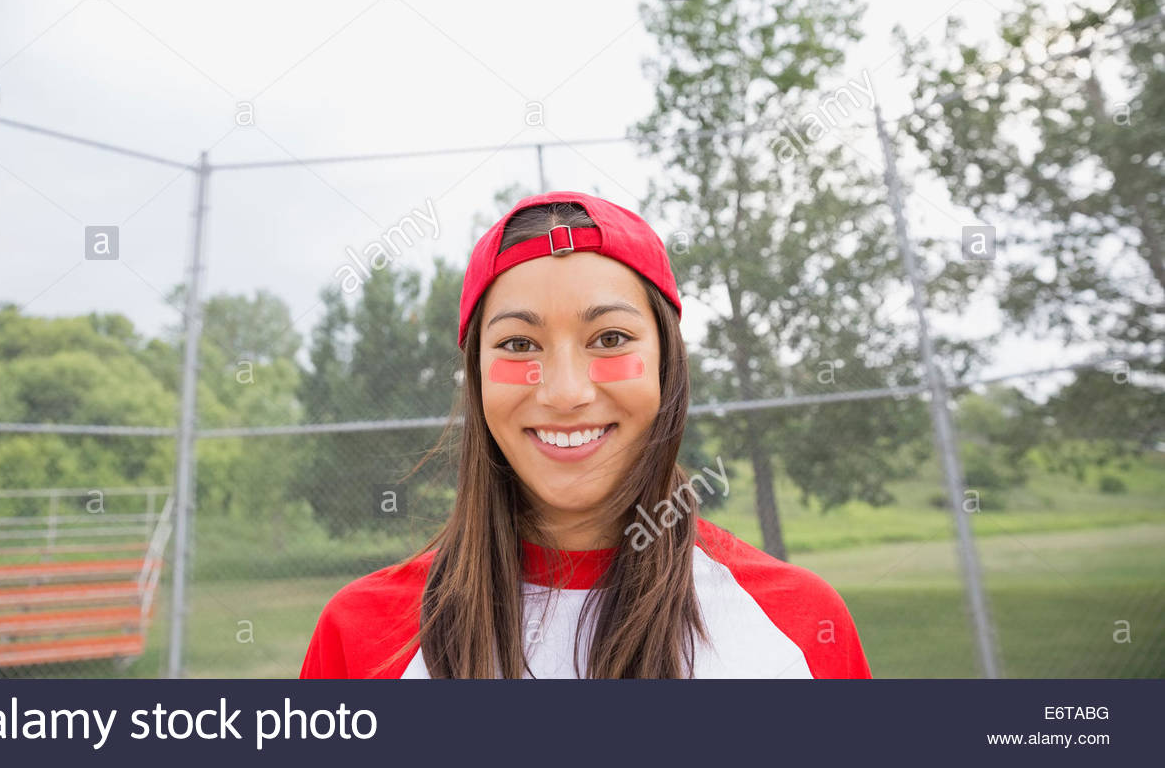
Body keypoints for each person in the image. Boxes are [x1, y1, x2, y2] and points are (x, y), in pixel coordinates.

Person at [298, 190, 872, 679]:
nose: (565, 392)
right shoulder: (362, 637)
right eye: (519, 344)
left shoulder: (798, 627)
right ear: (475, 378)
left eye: (610, 338)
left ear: (667, 365)